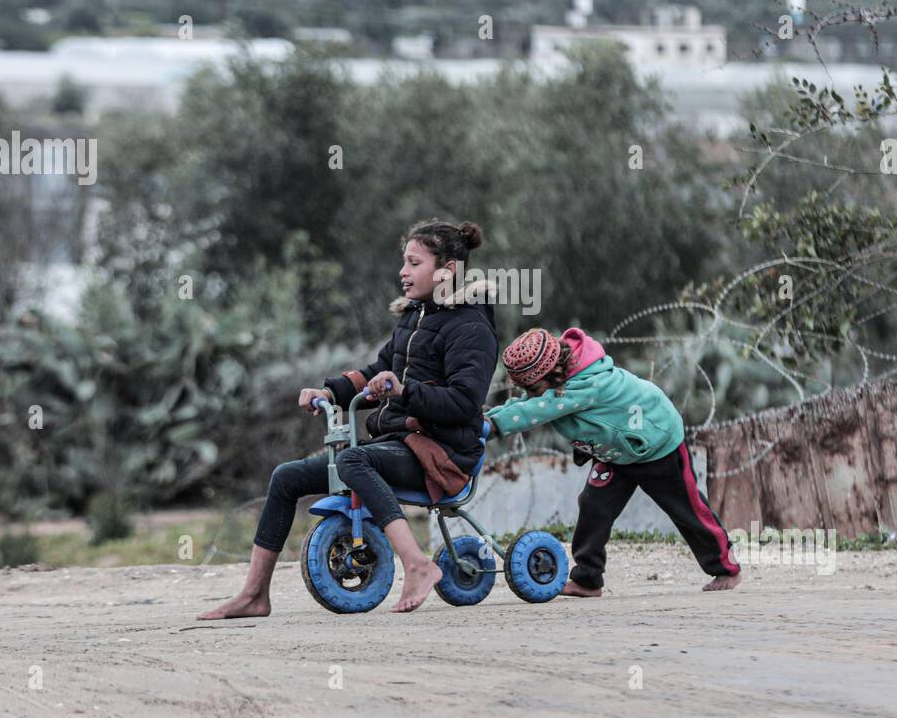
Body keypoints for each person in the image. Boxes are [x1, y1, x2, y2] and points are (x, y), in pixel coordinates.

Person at [199, 219, 499, 618]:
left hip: (441, 455)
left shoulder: (471, 327)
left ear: (448, 270)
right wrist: (329, 392)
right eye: (403, 263)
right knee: (286, 476)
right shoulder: (413, 319)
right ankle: (254, 595)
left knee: (353, 460)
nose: (403, 272)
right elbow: (375, 370)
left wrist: (405, 392)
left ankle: (417, 564)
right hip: (396, 447)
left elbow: (464, 404)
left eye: (414, 263)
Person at [485, 327, 741, 596]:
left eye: (533, 388)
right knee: (593, 507)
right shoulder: (552, 388)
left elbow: (539, 408)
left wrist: (493, 426)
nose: (531, 394)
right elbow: (529, 402)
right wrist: (487, 418)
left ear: (552, 372)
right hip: (615, 454)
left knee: (686, 508)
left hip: (657, 443)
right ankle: (587, 579)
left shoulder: (587, 384)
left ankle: (725, 567)